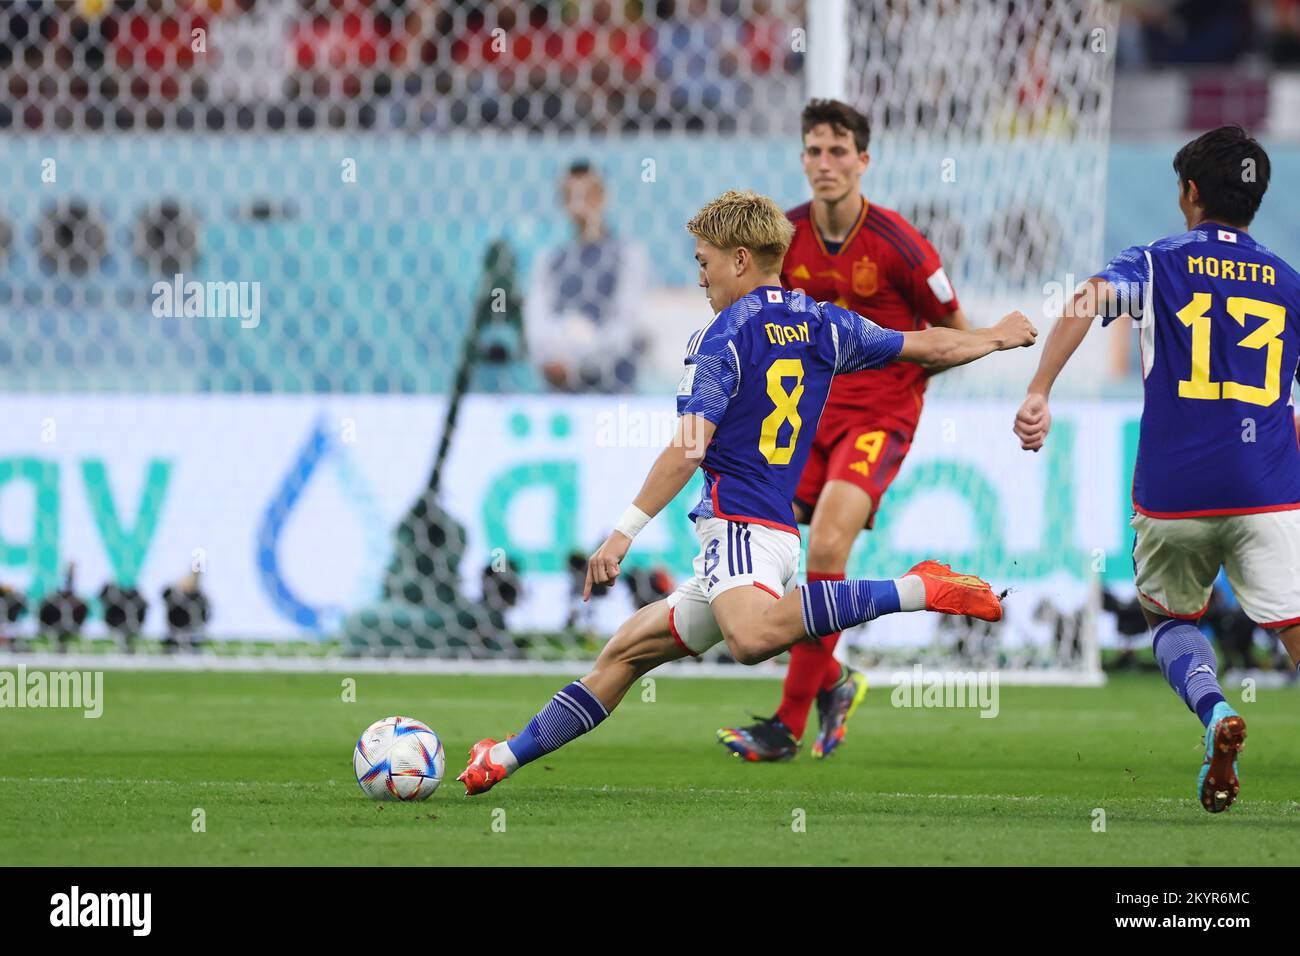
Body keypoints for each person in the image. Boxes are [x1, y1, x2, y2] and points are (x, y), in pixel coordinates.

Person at [457, 189, 1036, 795]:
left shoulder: (722, 336)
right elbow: (926, 344)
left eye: (704, 262)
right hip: (769, 533)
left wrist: (623, 531)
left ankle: (919, 586)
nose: (700, 277)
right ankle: (502, 756)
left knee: (752, 639)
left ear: (739, 259)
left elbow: (688, 448)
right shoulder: (822, 321)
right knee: (624, 654)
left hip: (739, 524)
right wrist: (995, 336)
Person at [1013, 125, 1300, 813]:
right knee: (1294, 629)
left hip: (1175, 494)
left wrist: (1039, 390)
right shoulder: (1289, 284)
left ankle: (1213, 713)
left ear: (1191, 193)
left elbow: (1085, 299)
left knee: (1168, 619)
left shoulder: (1156, 261)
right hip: (1269, 491)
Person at [717, 99, 970, 762]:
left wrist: (901, 394)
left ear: (864, 161)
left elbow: (955, 332)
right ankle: (832, 679)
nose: (824, 164)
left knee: (828, 546)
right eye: (813, 151)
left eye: (838, 152)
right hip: (803, 421)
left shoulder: (901, 246)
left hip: (879, 418)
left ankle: (785, 727)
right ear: (801, 159)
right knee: (766, 575)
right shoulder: (784, 239)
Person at [524, 159, 649, 393]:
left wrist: (577, 363)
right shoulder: (551, 260)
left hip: (614, 395)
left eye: (588, 194)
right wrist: (553, 357)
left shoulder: (628, 256)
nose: (580, 204)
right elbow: (536, 323)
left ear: (602, 196)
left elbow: (625, 326)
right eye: (571, 195)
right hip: (561, 395)